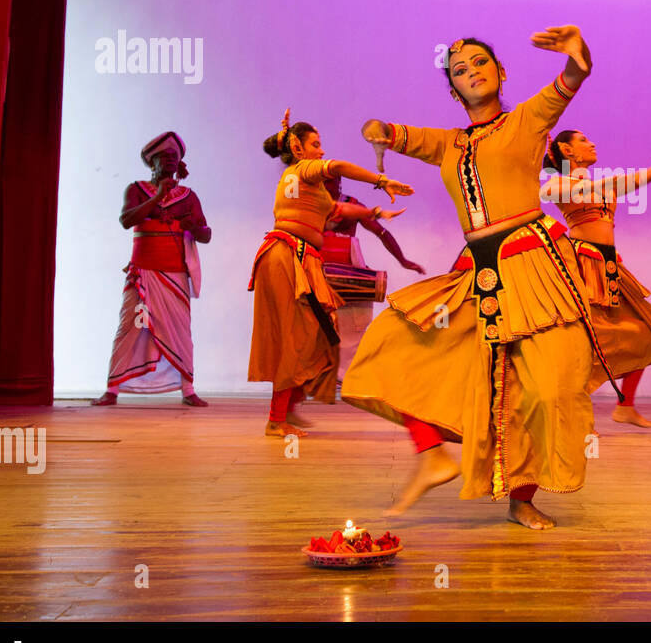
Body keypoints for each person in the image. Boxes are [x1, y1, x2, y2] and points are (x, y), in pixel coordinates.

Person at [343, 26, 614, 530]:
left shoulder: (528, 121)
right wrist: (374, 131)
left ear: (501, 72)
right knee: (395, 338)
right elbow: (387, 129)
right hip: (478, 275)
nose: (471, 72)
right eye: (460, 70)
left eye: (480, 63)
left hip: (534, 267)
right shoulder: (447, 143)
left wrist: (577, 55)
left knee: (547, 390)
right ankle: (432, 455)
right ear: (453, 90)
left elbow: (574, 76)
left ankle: (524, 496)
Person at [249, 111, 411, 437]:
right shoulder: (304, 168)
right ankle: (276, 419)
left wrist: (376, 211)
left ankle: (288, 408)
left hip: (296, 257)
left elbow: (340, 210)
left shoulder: (307, 184)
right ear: (297, 147)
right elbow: (336, 166)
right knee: (296, 338)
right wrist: (381, 180)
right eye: (316, 144)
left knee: (319, 334)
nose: (321, 151)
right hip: (287, 255)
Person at [540, 110, 651, 427]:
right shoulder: (557, 184)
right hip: (581, 267)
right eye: (584, 140)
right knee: (580, 341)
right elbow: (554, 193)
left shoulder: (604, 186)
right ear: (567, 150)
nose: (593, 143)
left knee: (650, 332)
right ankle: (567, 414)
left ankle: (625, 406)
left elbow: (649, 174)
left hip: (610, 269)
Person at [96, 131, 210, 407]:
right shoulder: (135, 189)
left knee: (180, 331)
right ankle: (112, 389)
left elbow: (206, 234)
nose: (171, 160)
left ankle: (188, 389)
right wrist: (157, 196)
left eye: (175, 156)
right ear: (152, 163)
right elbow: (126, 219)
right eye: (165, 156)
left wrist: (191, 227)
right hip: (143, 273)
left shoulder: (189, 196)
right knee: (129, 327)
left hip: (175, 275)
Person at [321, 175, 425, 387]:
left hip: (349, 269)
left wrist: (403, 260)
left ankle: (345, 374)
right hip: (318, 264)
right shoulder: (311, 204)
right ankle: (319, 374)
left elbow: (381, 232)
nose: (325, 185)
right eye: (321, 181)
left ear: (339, 182)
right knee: (315, 318)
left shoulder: (352, 205)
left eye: (330, 181)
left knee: (352, 320)